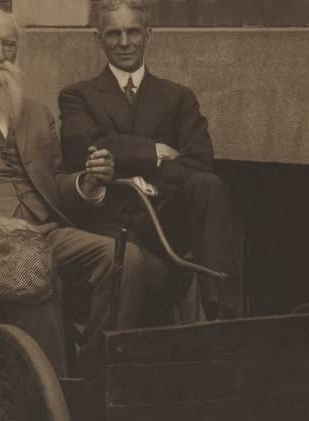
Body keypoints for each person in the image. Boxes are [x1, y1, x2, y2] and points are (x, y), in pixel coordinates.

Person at [0, 5, 161, 376]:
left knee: (124, 260)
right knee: (31, 267)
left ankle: (91, 377)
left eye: (10, 46)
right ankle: (45, 409)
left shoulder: (37, 114)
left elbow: (54, 182)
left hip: (43, 230)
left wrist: (86, 184)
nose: (2, 57)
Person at [58, 0, 239, 320]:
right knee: (149, 276)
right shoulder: (78, 96)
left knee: (209, 186)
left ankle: (221, 315)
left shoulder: (178, 97)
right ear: (98, 39)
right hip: (111, 221)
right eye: (113, 34)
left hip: (166, 218)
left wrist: (126, 157)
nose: (124, 42)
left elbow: (199, 162)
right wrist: (155, 152)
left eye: (133, 32)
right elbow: (85, 147)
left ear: (148, 34)